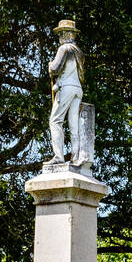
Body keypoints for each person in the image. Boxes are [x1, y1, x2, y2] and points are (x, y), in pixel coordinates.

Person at [46, 19, 86, 165]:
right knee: (73, 123)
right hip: (77, 89)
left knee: (55, 121)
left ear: (65, 34)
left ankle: (58, 156)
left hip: (67, 88)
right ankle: (76, 157)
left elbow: (55, 68)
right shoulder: (79, 52)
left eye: (61, 34)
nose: (60, 37)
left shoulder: (64, 49)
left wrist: (50, 66)